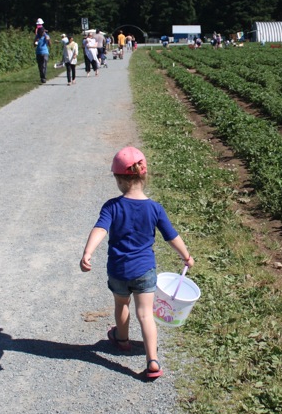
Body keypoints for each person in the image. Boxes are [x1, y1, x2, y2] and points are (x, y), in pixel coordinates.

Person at [80, 147, 195, 380]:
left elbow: (100, 228)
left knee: (121, 304)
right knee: (145, 313)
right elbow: (171, 236)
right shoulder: (154, 208)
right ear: (144, 175)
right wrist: (186, 256)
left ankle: (122, 340)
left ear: (118, 179)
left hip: (118, 270)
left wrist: (88, 252)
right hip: (144, 270)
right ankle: (152, 360)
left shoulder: (112, 206)